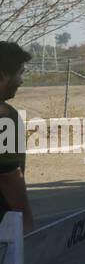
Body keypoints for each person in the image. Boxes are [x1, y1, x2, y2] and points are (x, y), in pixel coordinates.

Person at [0, 42, 35, 233]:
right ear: (3, 75)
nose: (21, 80)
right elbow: (8, 175)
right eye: (20, 73)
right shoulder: (5, 116)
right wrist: (26, 220)